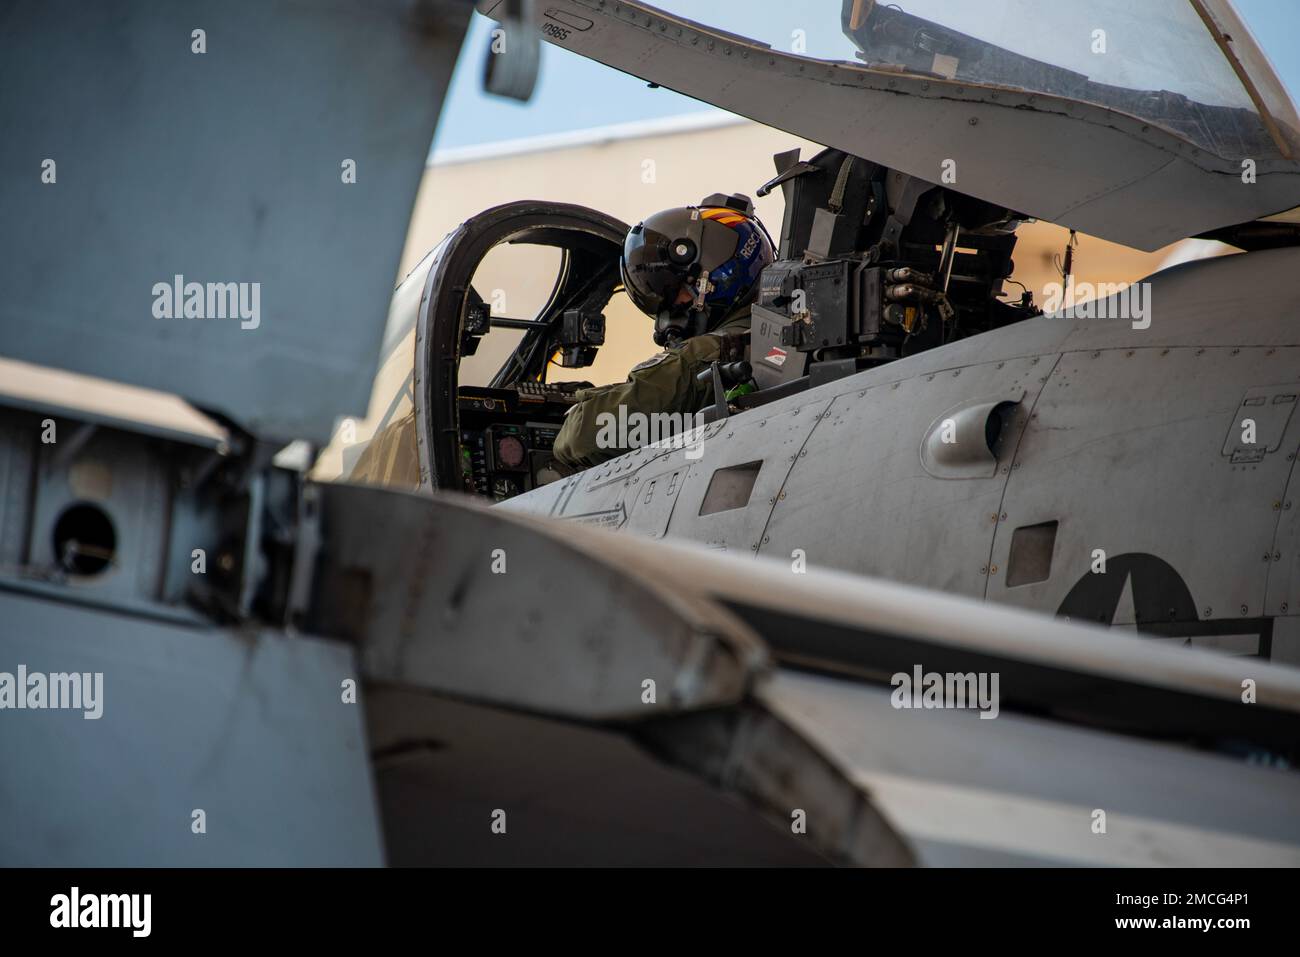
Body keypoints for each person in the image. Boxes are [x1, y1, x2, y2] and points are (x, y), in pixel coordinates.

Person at [552, 195, 774, 470]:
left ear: (717, 277)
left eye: (676, 292)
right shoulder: (774, 334)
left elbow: (581, 438)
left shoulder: (702, 355)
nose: (670, 313)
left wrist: (578, 410)